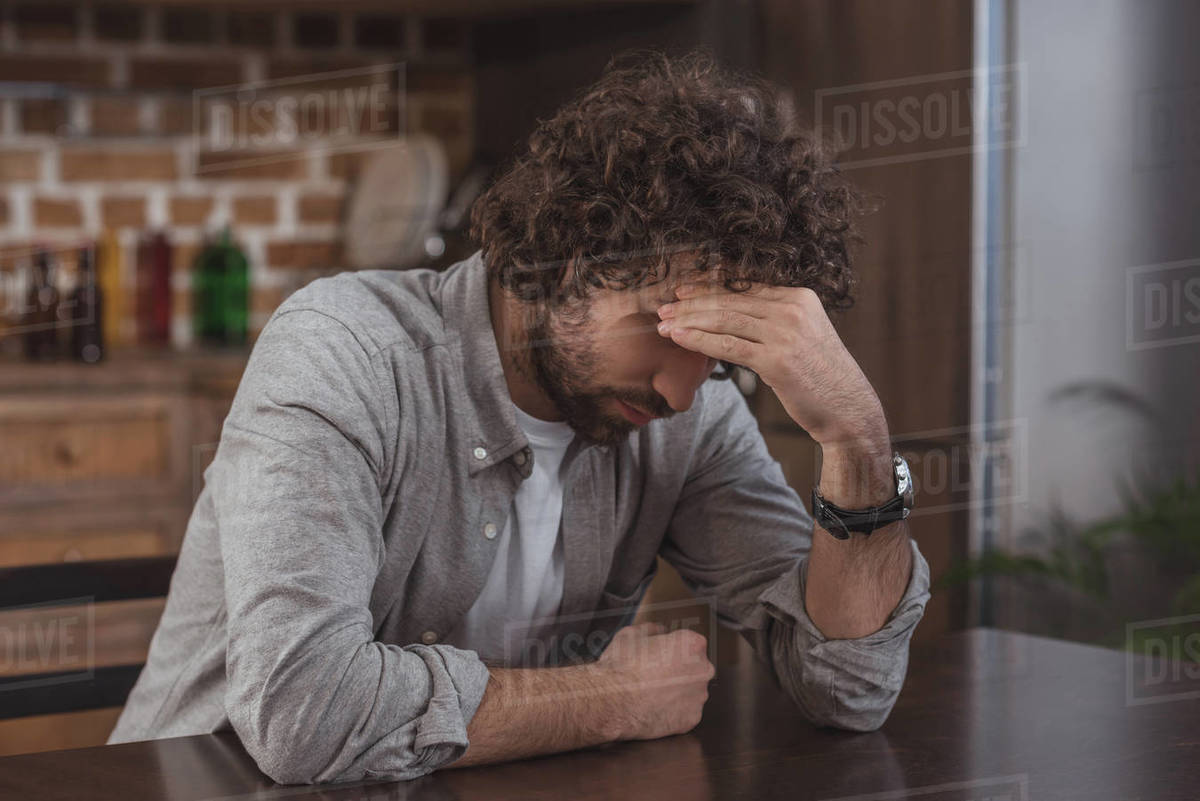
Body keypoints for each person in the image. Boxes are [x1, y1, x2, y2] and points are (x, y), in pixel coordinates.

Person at [108, 50, 930, 784]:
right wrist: (612, 698)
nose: (684, 390)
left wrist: (856, 438)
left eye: (719, 351)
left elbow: (848, 687)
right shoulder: (344, 352)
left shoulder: (693, 416)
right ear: (567, 257)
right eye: (664, 324)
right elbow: (304, 716)